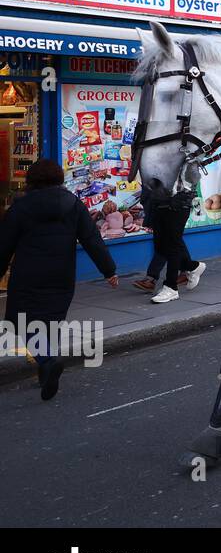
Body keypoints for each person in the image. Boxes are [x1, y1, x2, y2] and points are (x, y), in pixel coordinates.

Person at [0, 158, 118, 400]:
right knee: (50, 322)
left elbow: (4, 246)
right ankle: (46, 373)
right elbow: (92, 239)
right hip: (62, 275)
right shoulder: (73, 205)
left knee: (23, 324)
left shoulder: (21, 208)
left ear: (31, 181)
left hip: (28, 276)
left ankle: (47, 360)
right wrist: (109, 270)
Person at [135, 185, 207, 304]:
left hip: (178, 202)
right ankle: (192, 266)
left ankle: (171, 287)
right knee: (160, 246)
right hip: (158, 201)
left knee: (172, 245)